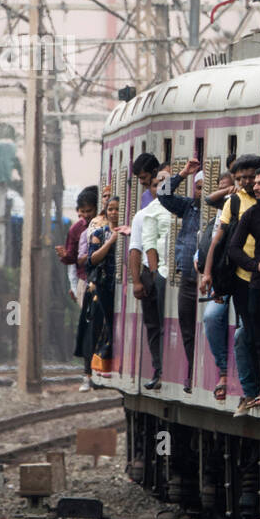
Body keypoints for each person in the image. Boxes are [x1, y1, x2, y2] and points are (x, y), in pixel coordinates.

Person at [201, 157, 260, 402]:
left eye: (251, 177)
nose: (247, 182)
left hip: (258, 276)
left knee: (250, 332)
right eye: (241, 178)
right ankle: (238, 381)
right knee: (231, 326)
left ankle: (253, 388)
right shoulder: (234, 202)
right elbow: (218, 239)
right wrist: (207, 273)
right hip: (236, 275)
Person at [226, 167, 260, 416]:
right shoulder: (252, 214)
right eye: (255, 183)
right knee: (253, 338)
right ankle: (256, 390)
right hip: (256, 284)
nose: (256, 187)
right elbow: (233, 248)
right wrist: (256, 265)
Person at [155, 160, 203, 393]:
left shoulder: (220, 208)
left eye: (206, 187)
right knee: (187, 326)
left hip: (208, 279)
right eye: (199, 187)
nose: (201, 192)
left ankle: (202, 373)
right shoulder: (188, 207)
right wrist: (183, 174)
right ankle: (191, 372)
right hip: (187, 276)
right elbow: (162, 195)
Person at [132, 170, 173, 390]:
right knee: (155, 324)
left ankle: (171, 370)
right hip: (156, 274)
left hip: (176, 272)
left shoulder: (182, 207)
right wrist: (155, 274)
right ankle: (159, 369)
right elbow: (145, 245)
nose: (160, 187)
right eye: (156, 184)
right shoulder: (148, 213)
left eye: (165, 182)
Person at [199, 172, 238, 399]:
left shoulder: (242, 209)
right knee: (211, 317)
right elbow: (211, 199)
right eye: (221, 188)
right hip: (220, 280)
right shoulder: (217, 219)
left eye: (229, 188)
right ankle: (223, 369)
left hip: (240, 276)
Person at [84, 195, 126, 380]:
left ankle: (109, 361)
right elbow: (91, 260)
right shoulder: (99, 234)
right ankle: (104, 361)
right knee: (108, 324)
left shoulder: (127, 231)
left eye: (117, 209)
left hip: (123, 286)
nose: (114, 212)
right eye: (110, 209)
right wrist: (110, 242)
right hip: (105, 285)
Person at [60, 186, 98, 391]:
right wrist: (74, 287)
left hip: (102, 281)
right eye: (81, 212)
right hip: (85, 282)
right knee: (89, 325)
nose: (84, 216)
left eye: (88, 211)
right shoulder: (76, 230)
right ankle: (87, 372)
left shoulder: (102, 225)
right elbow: (72, 262)